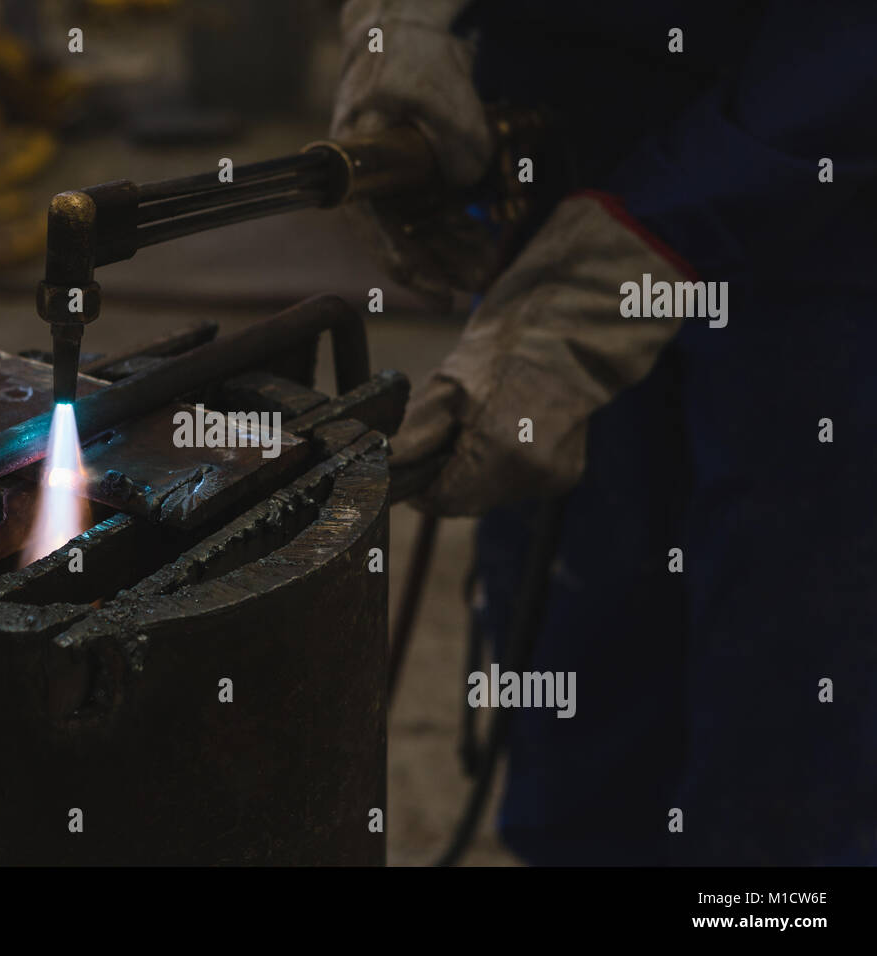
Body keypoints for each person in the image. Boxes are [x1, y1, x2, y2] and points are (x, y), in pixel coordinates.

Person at [332, 0, 877, 865]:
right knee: (577, 647)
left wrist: (643, 243)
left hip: (822, 191)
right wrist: (406, 21)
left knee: (782, 706)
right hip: (561, 158)